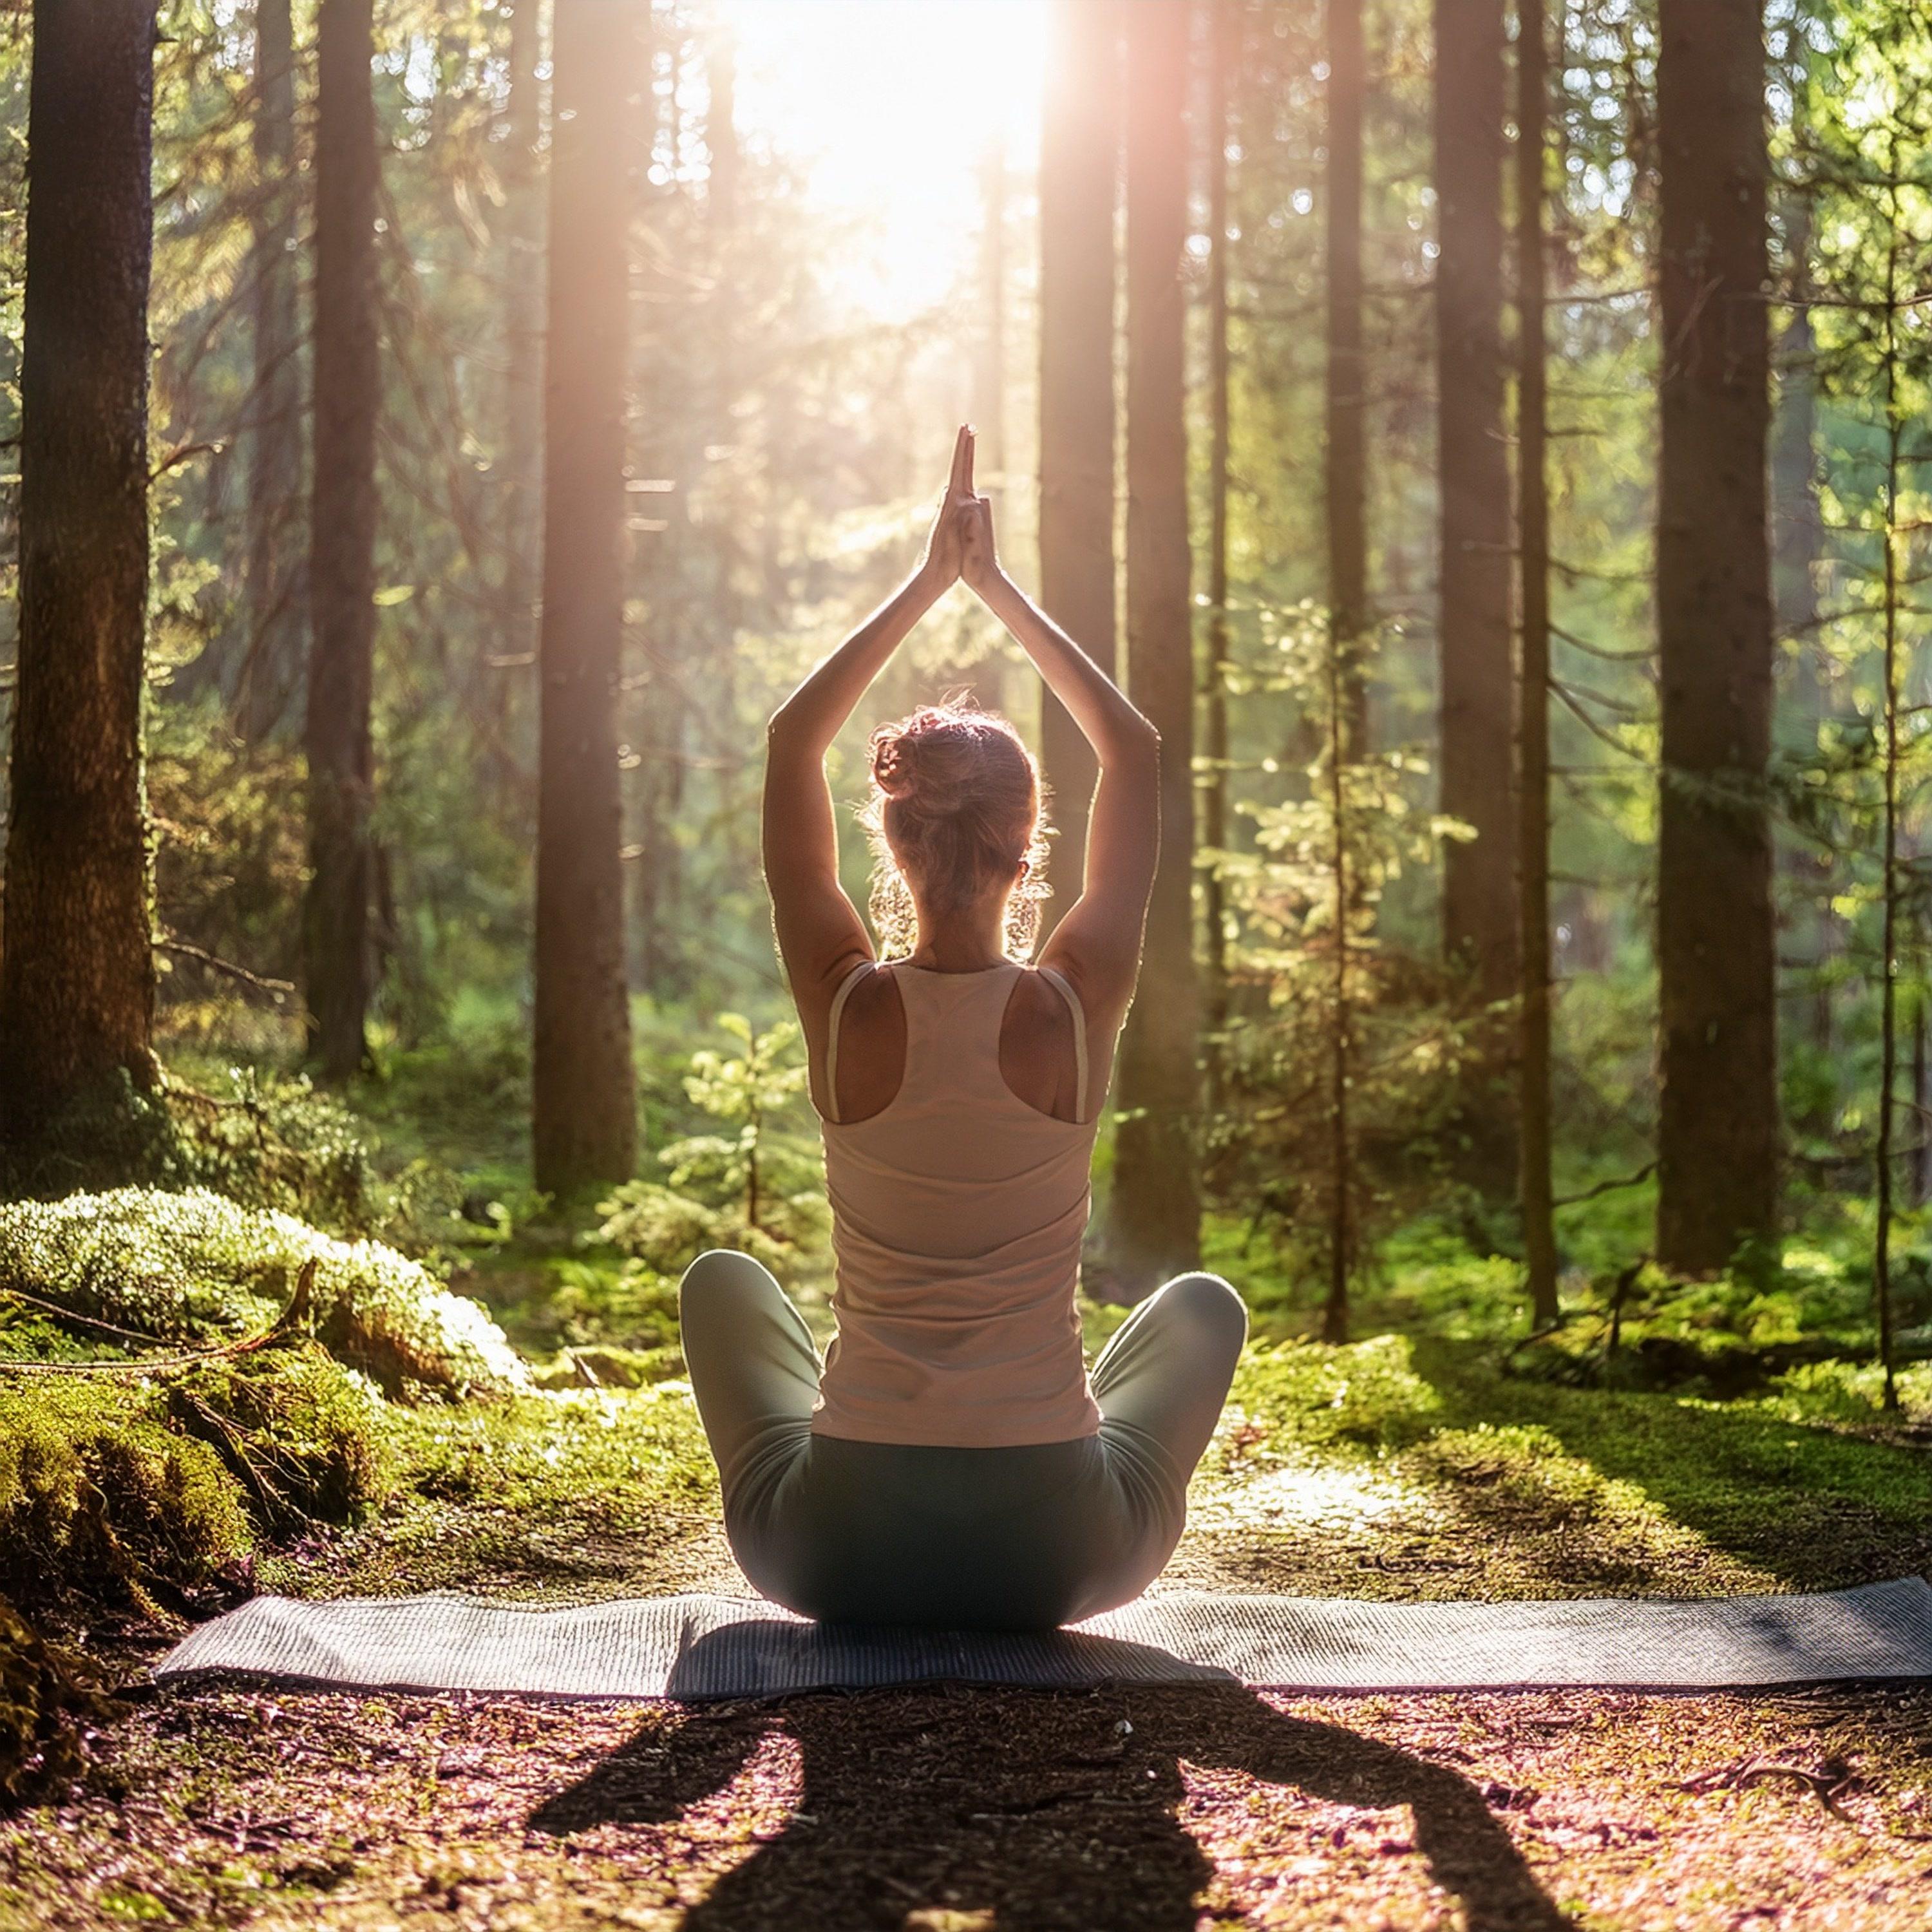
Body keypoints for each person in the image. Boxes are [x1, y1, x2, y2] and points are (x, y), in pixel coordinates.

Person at [679, 426, 1245, 1630]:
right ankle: (1036, 1431)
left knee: (724, 1281)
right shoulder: (1074, 1007)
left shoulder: (844, 1006)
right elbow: (1134, 753)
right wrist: (997, 589)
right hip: (1060, 1554)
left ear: (888, 839)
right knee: (1202, 1306)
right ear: (1029, 844)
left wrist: (929, 579)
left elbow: (790, 743)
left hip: (838, 1554)